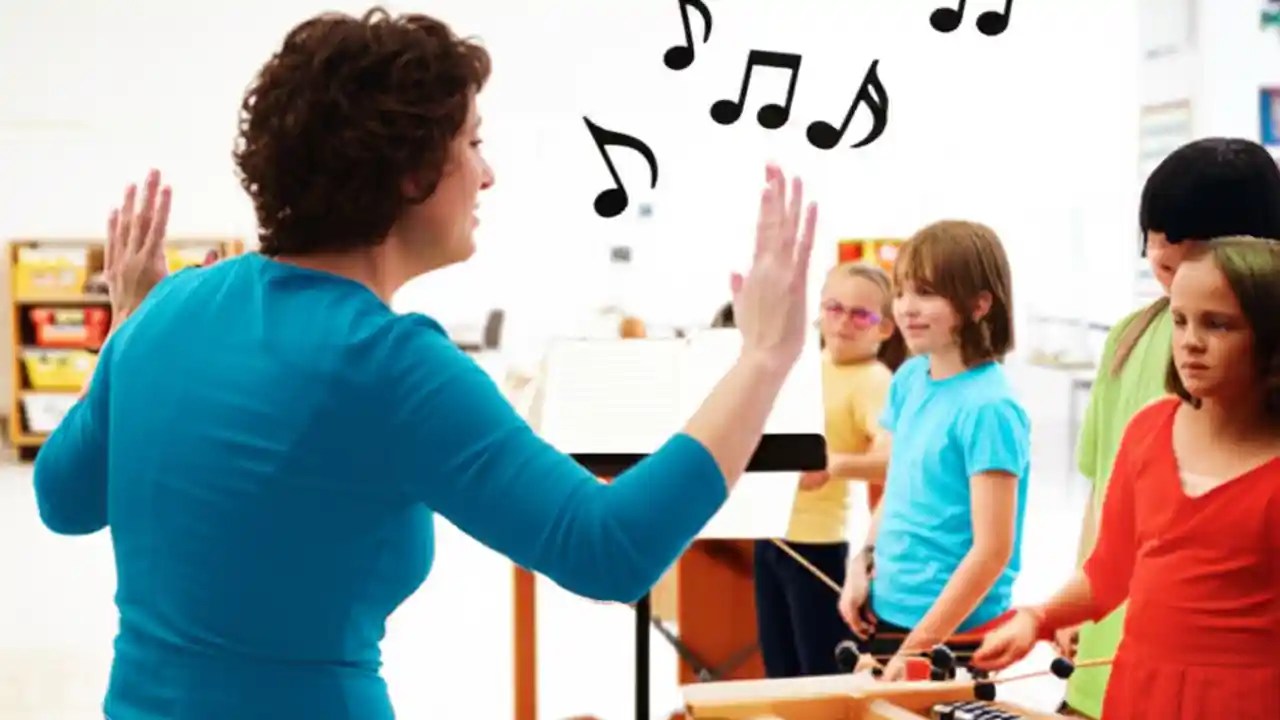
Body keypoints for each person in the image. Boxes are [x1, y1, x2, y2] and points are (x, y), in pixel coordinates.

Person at [29, 8, 819, 720]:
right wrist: (762, 359)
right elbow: (608, 550)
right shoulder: (386, 362)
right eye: (472, 142)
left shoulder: (166, 309)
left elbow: (64, 499)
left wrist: (128, 331)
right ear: (410, 173)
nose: (488, 172)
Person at [973, 238, 1280, 720]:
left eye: (1218, 324)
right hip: (1139, 689)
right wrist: (1038, 618)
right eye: (1180, 320)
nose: (1190, 341)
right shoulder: (1148, 431)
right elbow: (1110, 570)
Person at [1060, 137, 1280, 718]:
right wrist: (1071, 607)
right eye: (1157, 232)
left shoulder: (1242, 365)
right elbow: (1104, 490)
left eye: (1190, 239)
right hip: (1117, 661)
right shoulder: (1130, 334)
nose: (1164, 251)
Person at [837, 220, 1032, 682]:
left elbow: (992, 550)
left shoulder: (990, 408)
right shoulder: (910, 377)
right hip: (890, 609)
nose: (906, 308)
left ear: (979, 304)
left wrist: (918, 648)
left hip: (954, 631)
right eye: (902, 292)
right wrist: (862, 560)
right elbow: (900, 488)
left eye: (926, 293)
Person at [750, 262, 904, 678]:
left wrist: (831, 464)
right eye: (834, 308)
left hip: (815, 548)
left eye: (861, 314)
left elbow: (896, 459)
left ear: (885, 329)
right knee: (778, 674)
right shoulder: (803, 367)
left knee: (817, 677)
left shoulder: (873, 380)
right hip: (770, 538)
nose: (843, 323)